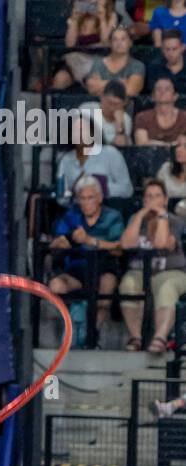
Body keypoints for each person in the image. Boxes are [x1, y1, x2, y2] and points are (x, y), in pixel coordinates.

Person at [49, 176, 125, 334]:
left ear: (99, 198)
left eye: (90, 198)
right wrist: (64, 240)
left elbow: (119, 247)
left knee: (106, 287)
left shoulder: (113, 216)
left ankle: (91, 334)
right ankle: (73, 325)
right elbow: (54, 244)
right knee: (56, 285)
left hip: (104, 268)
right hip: (77, 269)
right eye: (82, 198)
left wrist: (91, 241)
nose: (85, 202)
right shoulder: (72, 216)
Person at [119, 177, 186, 350]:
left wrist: (161, 216)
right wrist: (141, 215)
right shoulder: (136, 219)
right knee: (128, 283)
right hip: (141, 271)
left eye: (157, 196)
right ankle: (136, 337)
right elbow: (126, 244)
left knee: (165, 287)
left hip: (172, 271)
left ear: (165, 199)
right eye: (148, 196)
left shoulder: (175, 221)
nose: (152, 200)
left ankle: (160, 337)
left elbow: (161, 243)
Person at [56, 120, 134, 201]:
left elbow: (127, 190)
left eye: (83, 130)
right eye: (75, 131)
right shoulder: (65, 160)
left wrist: (98, 187)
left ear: (92, 133)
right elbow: (61, 198)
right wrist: (75, 191)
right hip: (77, 209)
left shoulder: (110, 153)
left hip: (108, 207)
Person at [52, 0, 119, 90]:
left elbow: (105, 41)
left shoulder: (112, 15)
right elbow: (70, 44)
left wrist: (102, 18)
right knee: (60, 80)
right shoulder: (80, 11)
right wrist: (74, 20)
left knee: (94, 83)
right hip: (75, 59)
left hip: (98, 60)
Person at [83, 26, 146, 97]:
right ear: (110, 43)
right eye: (115, 39)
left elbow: (130, 90)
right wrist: (122, 83)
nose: (119, 43)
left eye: (123, 39)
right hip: (100, 104)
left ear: (130, 43)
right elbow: (92, 88)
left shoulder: (137, 65)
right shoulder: (98, 63)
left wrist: (101, 84)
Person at [134, 74, 186, 142]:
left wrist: (153, 142)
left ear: (175, 96)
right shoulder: (142, 117)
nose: (162, 92)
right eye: (158, 89)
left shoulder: (184, 117)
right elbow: (142, 144)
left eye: (167, 89)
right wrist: (172, 145)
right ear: (152, 96)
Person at [80, 80, 134, 144]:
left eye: (116, 104)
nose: (112, 108)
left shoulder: (125, 119)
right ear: (102, 97)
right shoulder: (86, 110)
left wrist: (120, 126)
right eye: (109, 103)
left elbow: (120, 145)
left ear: (123, 104)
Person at [146, 27, 186, 92]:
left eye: (174, 49)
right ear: (162, 49)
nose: (171, 53)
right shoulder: (154, 68)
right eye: (167, 49)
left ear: (183, 48)